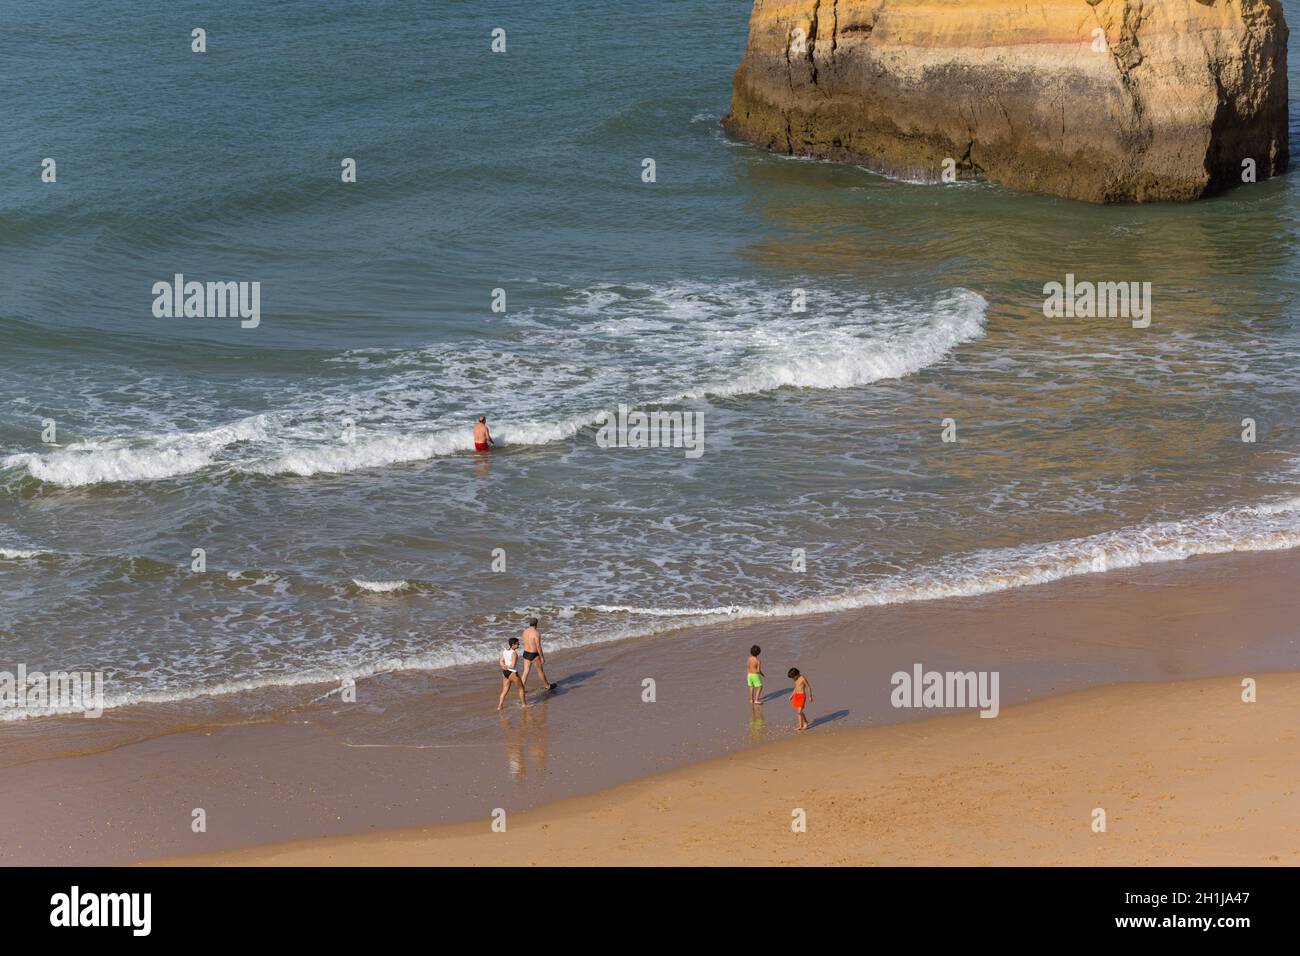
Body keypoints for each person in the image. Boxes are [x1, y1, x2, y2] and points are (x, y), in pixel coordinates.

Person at [520, 617, 557, 692]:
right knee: (540, 671)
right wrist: (542, 657)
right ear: (536, 624)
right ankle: (547, 686)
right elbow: (538, 646)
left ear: (529, 623)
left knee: (525, 671)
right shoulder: (536, 633)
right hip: (533, 654)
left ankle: (521, 688)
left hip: (525, 653)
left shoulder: (524, 632)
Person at [497, 637, 528, 711]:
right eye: (517, 644)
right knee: (521, 689)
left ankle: (499, 706)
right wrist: (507, 666)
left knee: (504, 690)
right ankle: (524, 705)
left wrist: (503, 666)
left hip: (505, 673)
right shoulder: (514, 653)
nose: (519, 645)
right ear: (513, 644)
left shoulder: (505, 651)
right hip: (512, 673)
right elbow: (513, 665)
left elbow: (500, 660)